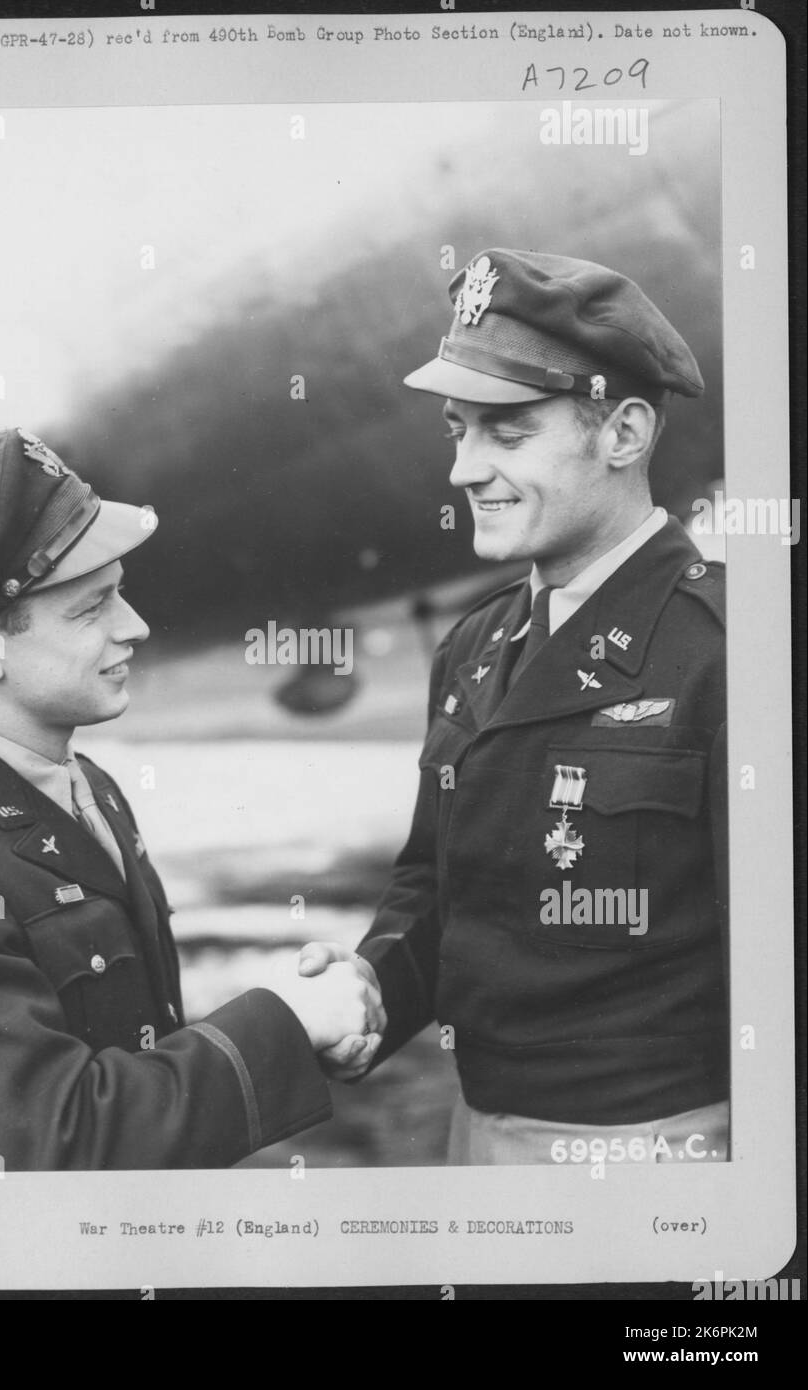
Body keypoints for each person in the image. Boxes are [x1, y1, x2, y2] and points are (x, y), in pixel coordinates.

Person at [300, 249, 728, 1165]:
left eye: (505, 432)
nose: (462, 469)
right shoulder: (474, 646)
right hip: (480, 1133)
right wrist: (372, 980)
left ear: (622, 433)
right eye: (457, 430)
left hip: (656, 1154)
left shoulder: (728, 649)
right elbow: (436, 886)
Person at [0, 427, 383, 1172]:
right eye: (91, 609)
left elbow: (134, 1042)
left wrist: (309, 1023)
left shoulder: (89, 791)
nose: (134, 626)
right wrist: (286, 1024)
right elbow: (64, 1140)